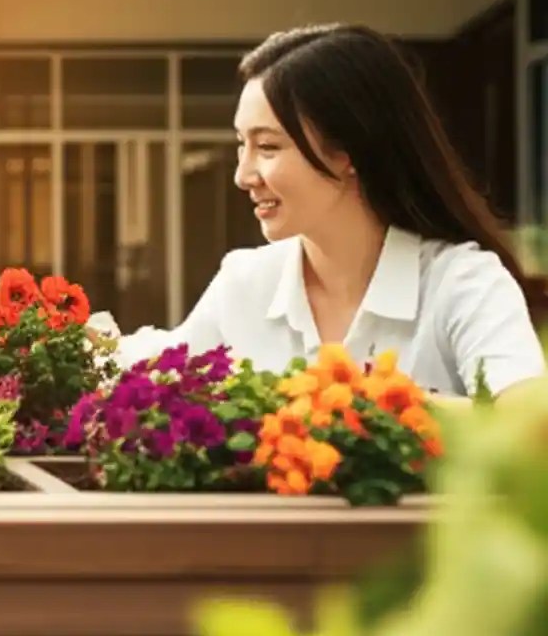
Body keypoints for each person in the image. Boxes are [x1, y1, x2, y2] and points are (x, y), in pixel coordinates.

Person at [107, 23, 545, 397]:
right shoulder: (247, 283)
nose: (244, 174)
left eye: (267, 147)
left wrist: (352, 404)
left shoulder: (461, 283)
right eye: (243, 145)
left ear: (347, 151)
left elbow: (526, 426)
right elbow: (154, 369)